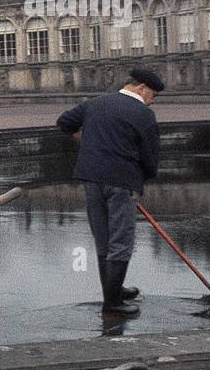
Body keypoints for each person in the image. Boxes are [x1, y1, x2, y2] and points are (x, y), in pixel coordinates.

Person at [56, 66, 164, 315]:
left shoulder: (96, 103)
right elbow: (150, 158)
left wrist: (84, 141)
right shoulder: (144, 114)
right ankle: (113, 302)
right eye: (153, 95)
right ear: (142, 88)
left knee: (103, 239)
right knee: (121, 241)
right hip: (122, 182)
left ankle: (113, 291)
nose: (152, 100)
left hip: (91, 179)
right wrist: (142, 179)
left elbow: (64, 123)